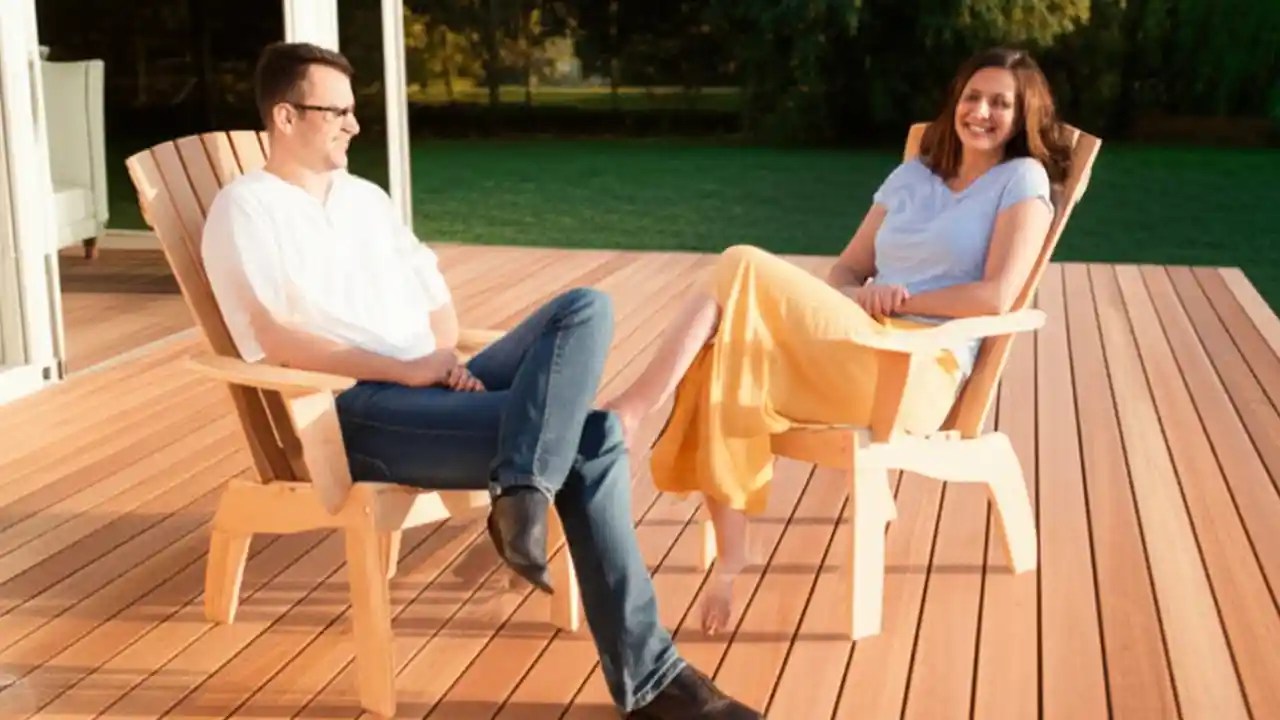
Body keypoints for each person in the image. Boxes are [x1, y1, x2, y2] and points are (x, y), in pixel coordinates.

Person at [201, 42, 761, 720]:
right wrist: (408, 370)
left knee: (588, 306)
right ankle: (650, 677)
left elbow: (432, 292)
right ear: (285, 118)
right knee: (593, 437)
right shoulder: (246, 209)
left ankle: (522, 486)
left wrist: (444, 361)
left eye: (354, 111)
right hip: (355, 409)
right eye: (336, 112)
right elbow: (277, 338)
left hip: (433, 382)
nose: (353, 124)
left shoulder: (364, 199)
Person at [603, 47, 1072, 635]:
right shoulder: (911, 176)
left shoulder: (1021, 180)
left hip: (919, 369)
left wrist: (900, 299)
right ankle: (733, 558)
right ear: (955, 101)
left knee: (739, 262)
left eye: (1000, 103)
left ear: (1022, 115)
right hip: (861, 344)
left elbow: (997, 297)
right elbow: (847, 271)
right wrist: (863, 296)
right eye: (972, 97)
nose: (980, 111)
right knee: (721, 353)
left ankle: (633, 407)